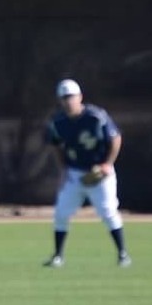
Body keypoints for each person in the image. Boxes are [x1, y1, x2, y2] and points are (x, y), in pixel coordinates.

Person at [43, 78, 130, 268]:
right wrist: (63, 169)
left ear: (80, 97)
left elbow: (115, 138)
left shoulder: (95, 117)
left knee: (108, 211)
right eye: (64, 97)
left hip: (100, 173)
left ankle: (123, 254)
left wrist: (108, 164)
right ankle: (58, 256)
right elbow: (55, 146)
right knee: (61, 214)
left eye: (71, 96)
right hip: (75, 173)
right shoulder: (58, 122)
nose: (68, 101)